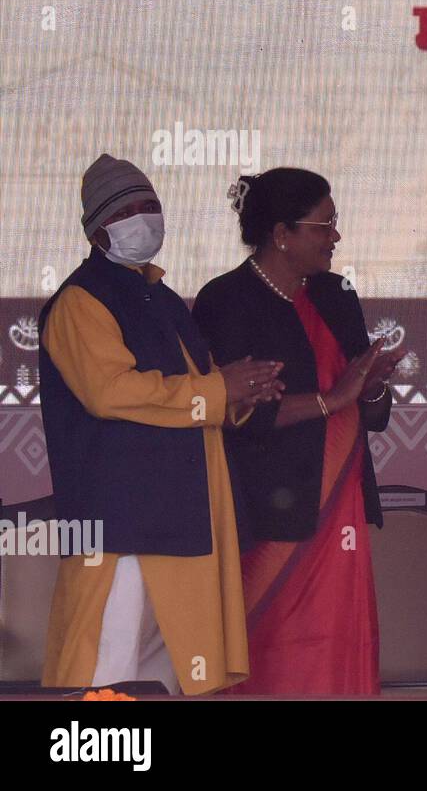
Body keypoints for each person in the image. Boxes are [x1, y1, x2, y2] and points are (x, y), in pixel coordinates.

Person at [39, 153, 281, 695]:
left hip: (179, 516)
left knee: (165, 670)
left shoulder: (162, 299)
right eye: (129, 208)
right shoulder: (81, 301)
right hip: (122, 522)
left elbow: (200, 389)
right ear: (98, 227)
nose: (145, 217)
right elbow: (110, 392)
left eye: (151, 204)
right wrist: (220, 390)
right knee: (109, 671)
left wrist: (241, 392)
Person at [192, 168, 403, 695]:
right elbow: (239, 414)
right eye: (323, 225)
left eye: (335, 223)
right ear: (281, 235)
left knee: (340, 660)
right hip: (271, 515)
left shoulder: (335, 294)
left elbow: (370, 411)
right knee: (276, 665)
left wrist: (371, 387)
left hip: (340, 507)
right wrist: (332, 400)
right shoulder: (225, 300)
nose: (336, 236)